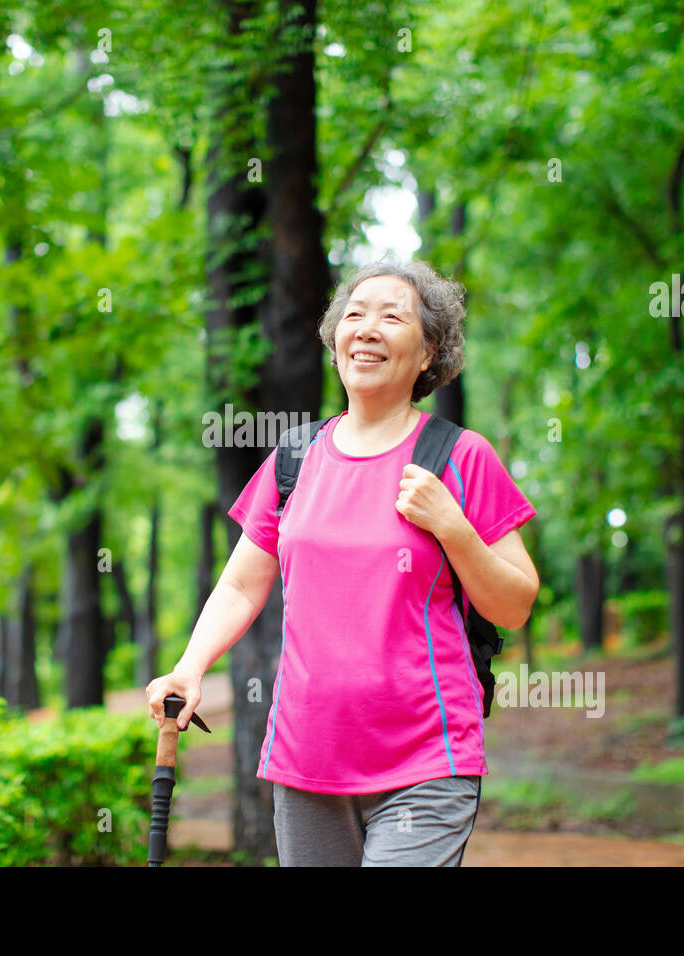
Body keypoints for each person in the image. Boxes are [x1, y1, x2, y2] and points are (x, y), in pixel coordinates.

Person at [146, 259, 539, 866]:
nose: (368, 328)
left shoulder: (459, 456)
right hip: (307, 755)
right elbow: (244, 584)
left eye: (392, 316)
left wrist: (453, 528)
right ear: (334, 344)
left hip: (426, 757)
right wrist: (190, 666)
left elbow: (514, 604)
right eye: (354, 314)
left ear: (430, 350)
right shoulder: (296, 458)